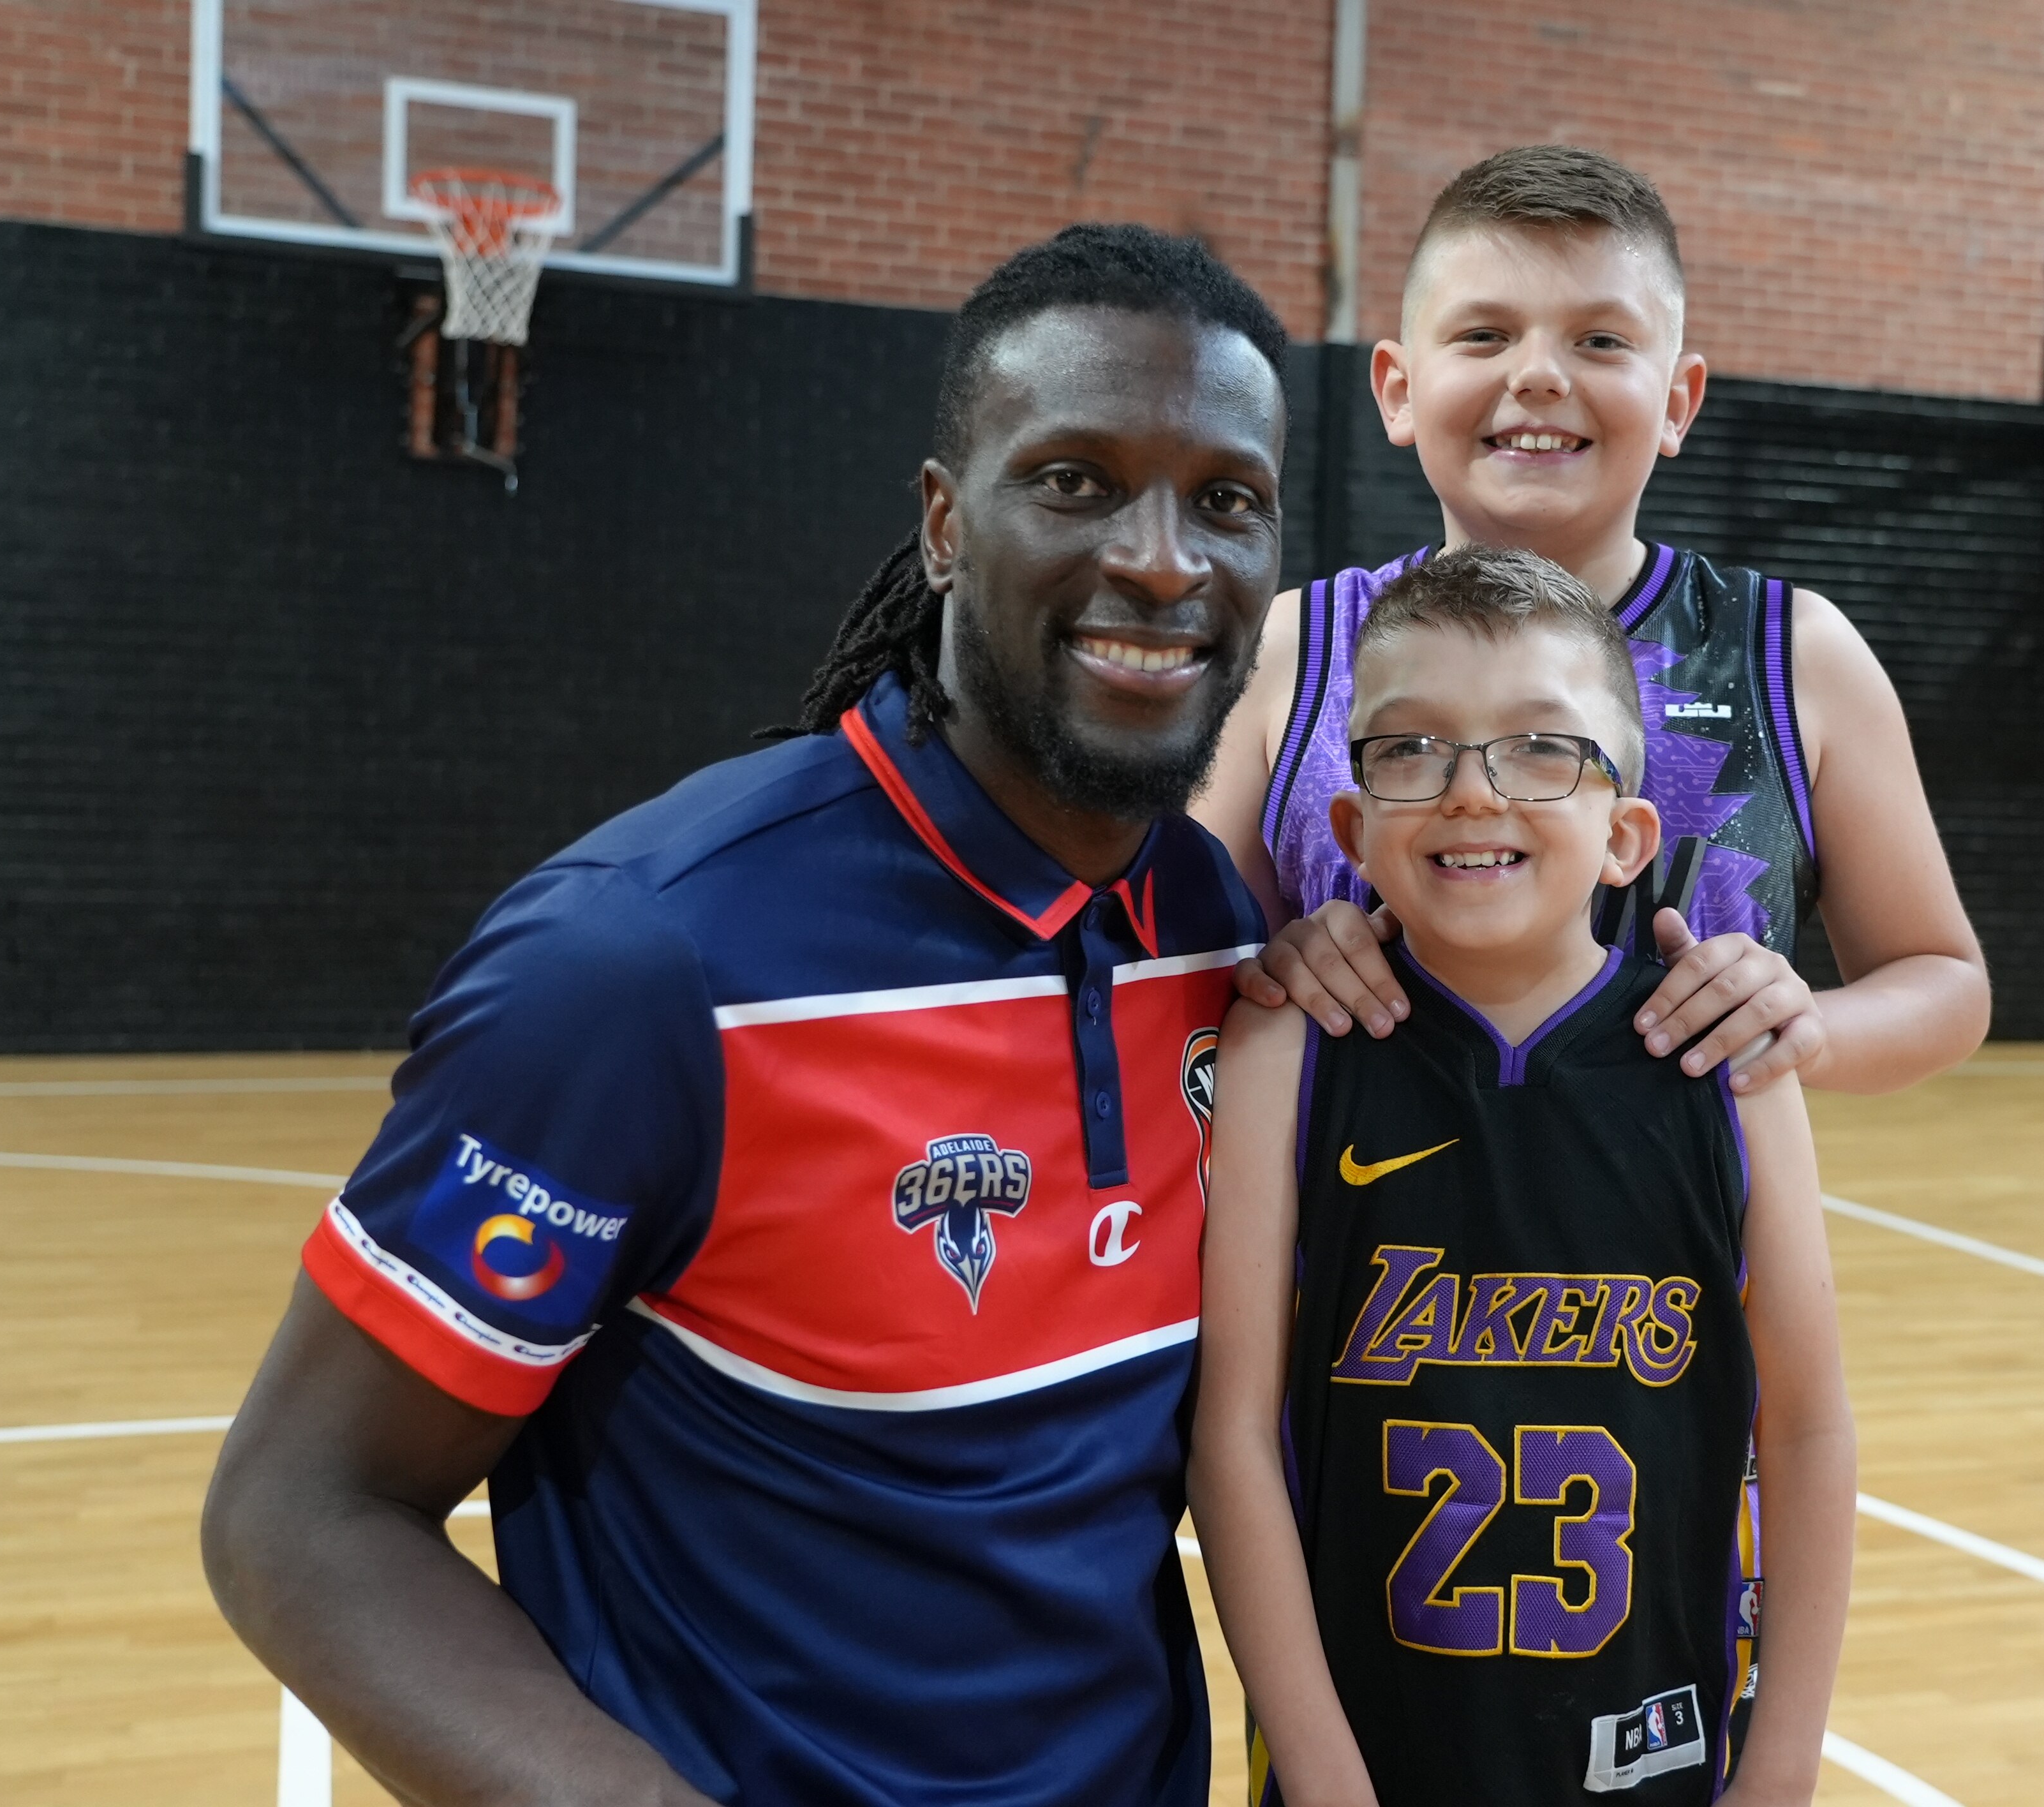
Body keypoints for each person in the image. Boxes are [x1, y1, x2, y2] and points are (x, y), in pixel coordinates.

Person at [201, 224, 1291, 1807]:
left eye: (1228, 501)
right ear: (939, 524)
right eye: (1072, 480)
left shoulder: (1222, 939)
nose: (1164, 559)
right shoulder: (641, 964)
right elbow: (305, 1510)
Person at [1191, 546, 1855, 1807]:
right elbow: (1233, 1436)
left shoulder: (1727, 1068)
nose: (1470, 792)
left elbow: (1810, 1427)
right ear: (1351, 826)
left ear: (1625, 835)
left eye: (1540, 749)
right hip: (1365, 1758)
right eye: (1410, 750)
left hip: (1654, 1753)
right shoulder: (1286, 1051)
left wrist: (1778, 1772)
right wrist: (1324, 1779)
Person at [1193, 145, 1988, 1097]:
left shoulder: (1791, 653)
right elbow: (1183, 967)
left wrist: (1804, 1024)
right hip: (1350, 1240)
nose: (1537, 374)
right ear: (1399, 390)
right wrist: (1277, 963)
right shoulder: (1296, 646)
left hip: (1682, 1242)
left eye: (1601, 341)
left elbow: (1943, 981)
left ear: (1677, 401)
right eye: (1484, 334)